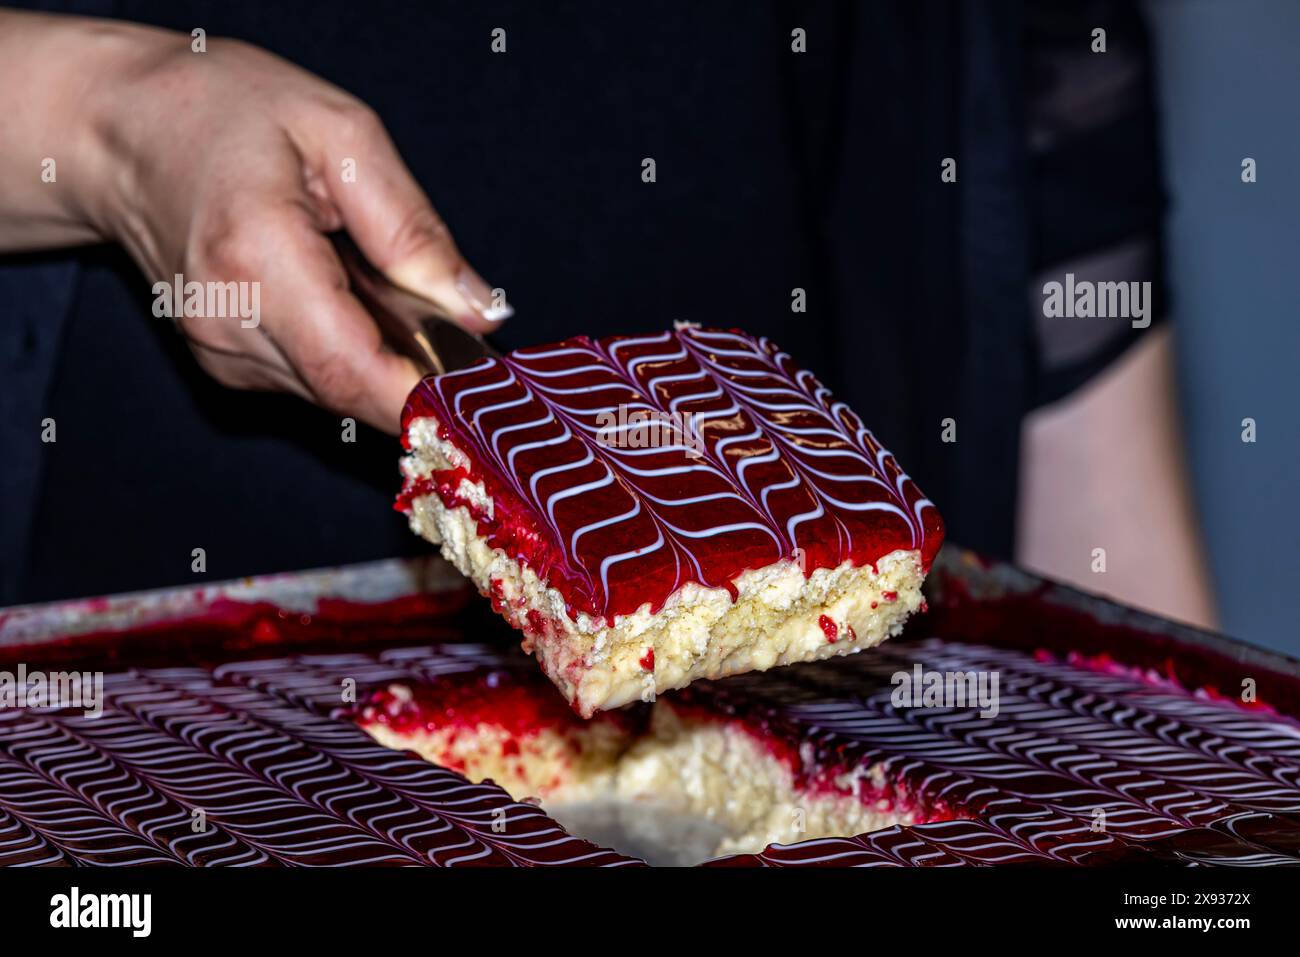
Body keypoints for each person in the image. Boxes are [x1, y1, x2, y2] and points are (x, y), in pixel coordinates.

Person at [0, 3, 1215, 627]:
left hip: (792, 638)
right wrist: (105, 122)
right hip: (136, 701)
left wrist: (1183, 811)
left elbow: (1040, 192)